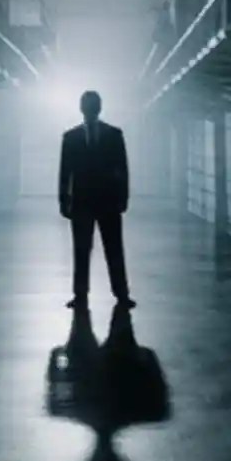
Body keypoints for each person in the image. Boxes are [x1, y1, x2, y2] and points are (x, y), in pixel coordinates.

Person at [58, 91, 134, 308]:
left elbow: (122, 168)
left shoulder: (74, 137)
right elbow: (65, 172)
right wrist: (63, 200)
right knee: (97, 248)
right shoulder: (111, 134)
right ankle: (108, 294)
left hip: (97, 201)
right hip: (97, 201)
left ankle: (108, 294)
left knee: (105, 248)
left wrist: (64, 200)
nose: (90, 109)